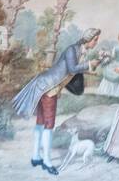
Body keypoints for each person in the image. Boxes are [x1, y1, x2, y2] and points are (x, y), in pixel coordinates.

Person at [12, 29, 102, 173]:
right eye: (95, 39)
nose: (96, 42)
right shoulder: (72, 50)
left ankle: (36, 156)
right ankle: (47, 161)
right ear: (88, 39)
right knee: (49, 124)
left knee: (41, 122)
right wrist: (89, 64)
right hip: (48, 87)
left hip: (46, 86)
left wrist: (90, 68)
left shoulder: (79, 50)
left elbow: (72, 70)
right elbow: (72, 68)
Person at [96, 31, 119, 99]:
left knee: (113, 74)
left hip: (115, 63)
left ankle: (110, 93)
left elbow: (112, 56)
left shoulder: (115, 47)